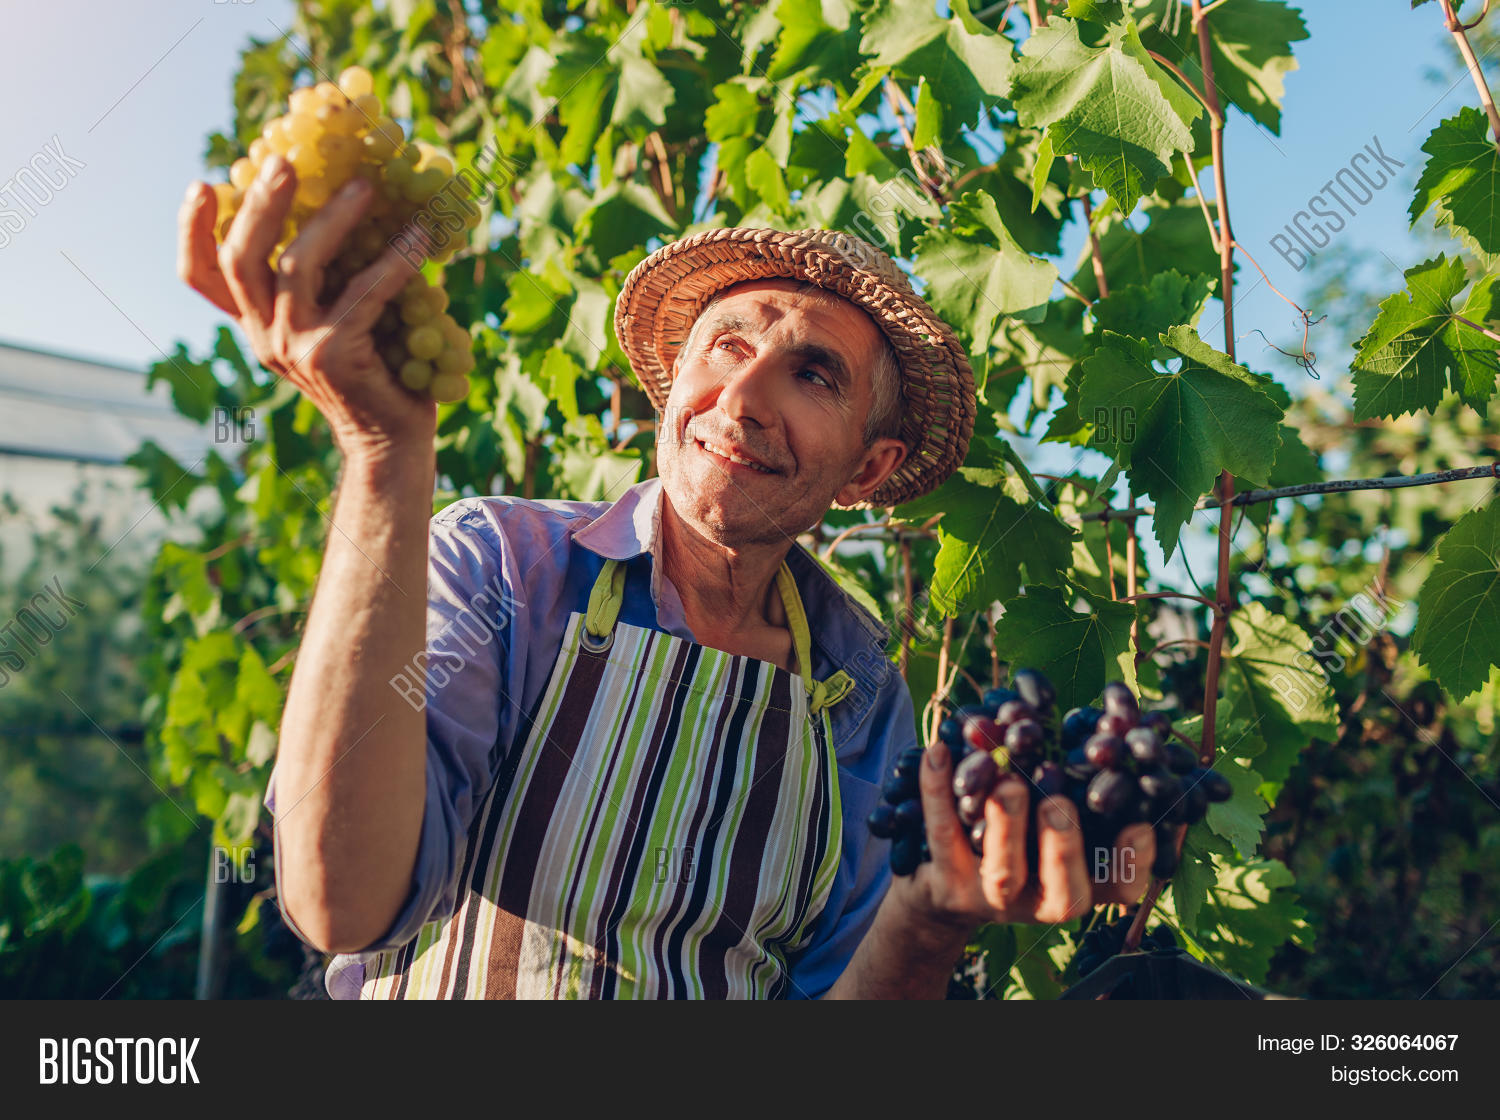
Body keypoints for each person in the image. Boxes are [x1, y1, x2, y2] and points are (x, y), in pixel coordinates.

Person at [176, 153, 1153, 1000]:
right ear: (675, 380)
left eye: (813, 375)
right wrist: (384, 454)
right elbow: (342, 904)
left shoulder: (859, 693)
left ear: (868, 469)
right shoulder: (505, 567)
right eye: (728, 345)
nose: (743, 397)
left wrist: (931, 919)